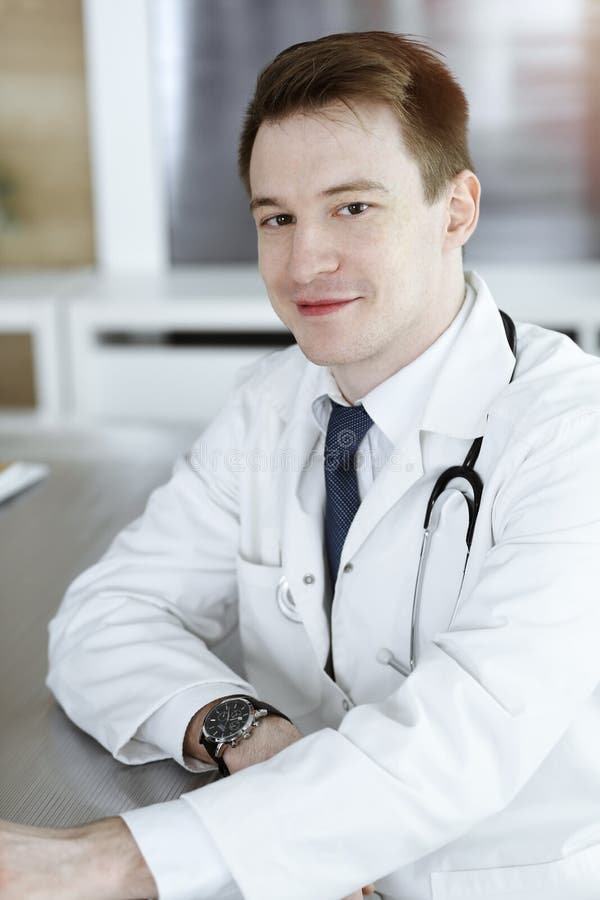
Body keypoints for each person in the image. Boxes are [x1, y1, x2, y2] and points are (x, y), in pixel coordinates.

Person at [2, 29, 600, 900]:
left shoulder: (571, 434)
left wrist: (111, 860)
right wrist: (244, 728)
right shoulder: (274, 404)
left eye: (352, 207)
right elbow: (105, 617)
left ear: (456, 209)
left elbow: (463, 739)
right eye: (276, 216)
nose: (302, 261)